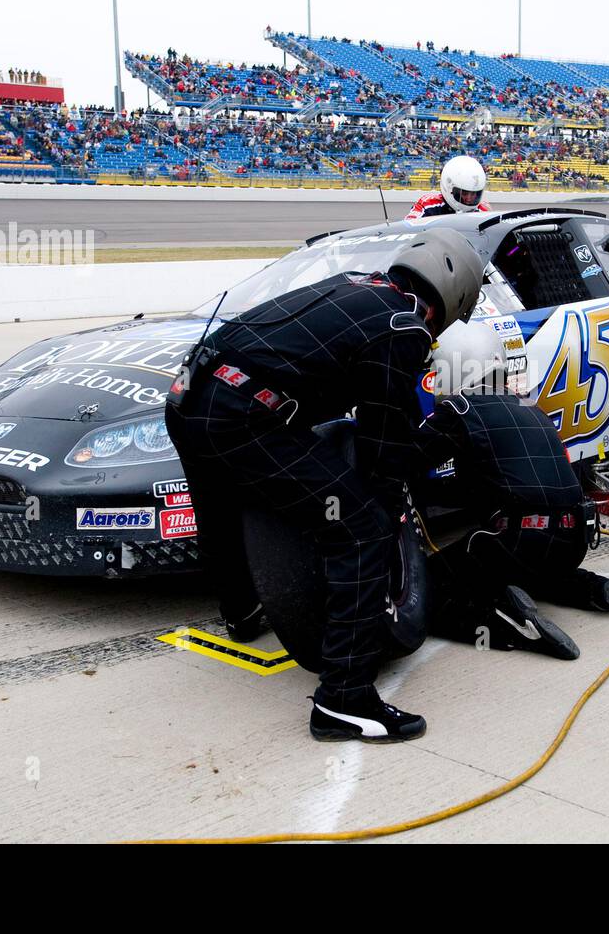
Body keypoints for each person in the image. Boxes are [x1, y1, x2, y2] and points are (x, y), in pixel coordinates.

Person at [165, 228, 486, 744]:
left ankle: (243, 611)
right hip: (243, 415)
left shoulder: (354, 285)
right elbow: (384, 454)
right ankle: (344, 699)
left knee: (224, 506)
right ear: (453, 299)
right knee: (362, 527)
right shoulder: (404, 327)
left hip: (190, 396)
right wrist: (438, 442)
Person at [414, 328, 609, 659]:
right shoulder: (532, 409)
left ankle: (510, 628)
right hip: (574, 538)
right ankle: (597, 589)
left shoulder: (459, 411)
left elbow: (405, 459)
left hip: (521, 540)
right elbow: (476, 489)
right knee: (535, 576)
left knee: (428, 589)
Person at [406, 155, 491, 220]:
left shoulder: (482, 210)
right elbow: (408, 228)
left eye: (473, 194)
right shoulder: (427, 204)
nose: (469, 198)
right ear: (450, 189)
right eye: (464, 193)